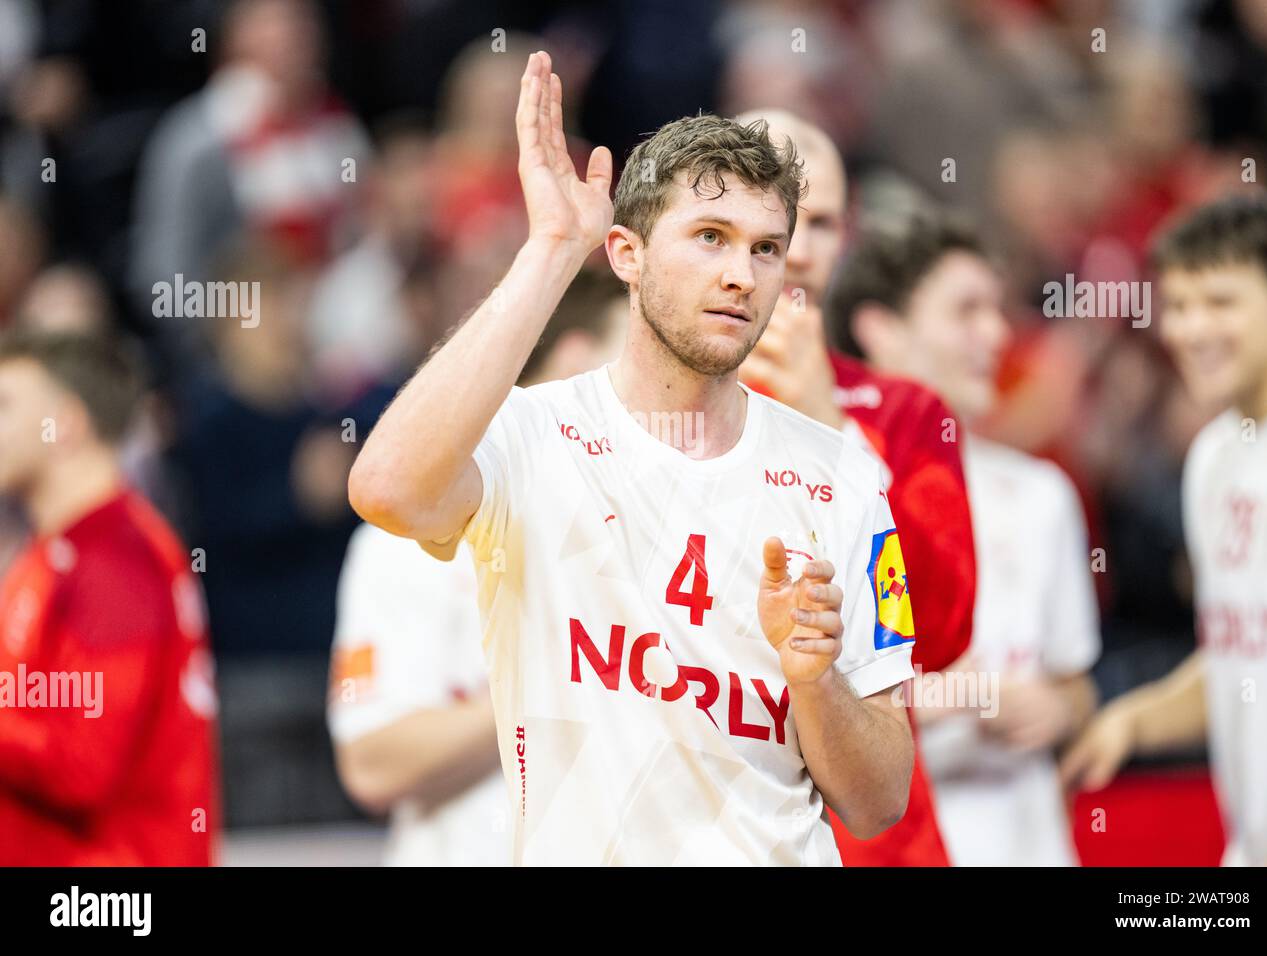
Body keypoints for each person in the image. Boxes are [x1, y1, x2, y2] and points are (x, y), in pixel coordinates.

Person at [348, 51, 915, 866]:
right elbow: (386, 489)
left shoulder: (843, 476)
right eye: (710, 238)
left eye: (765, 249)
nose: (740, 275)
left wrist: (815, 679)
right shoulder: (534, 434)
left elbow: (878, 803)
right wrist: (549, 248)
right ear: (626, 253)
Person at [734, 108, 977, 866]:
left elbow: (936, 634)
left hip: (872, 836)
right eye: (774, 215)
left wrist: (826, 420)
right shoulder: (640, 409)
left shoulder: (908, 414)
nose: (798, 251)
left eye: (825, 222)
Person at [329, 269, 626, 865]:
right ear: (576, 359)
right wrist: (566, 680)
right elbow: (371, 761)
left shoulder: (649, 520)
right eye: (636, 364)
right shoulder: (404, 530)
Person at [831, 214, 1100, 865]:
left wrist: (1059, 711)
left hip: (1031, 838)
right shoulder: (823, 486)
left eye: (997, 309)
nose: (998, 334)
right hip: (892, 840)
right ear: (881, 330)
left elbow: (1076, 682)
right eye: (966, 310)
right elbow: (799, 700)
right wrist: (961, 696)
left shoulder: (1042, 493)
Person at [1063, 192, 1267, 867]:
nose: (1193, 330)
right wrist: (1135, 721)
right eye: (1180, 305)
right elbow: (1246, 657)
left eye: (1221, 303)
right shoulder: (1215, 458)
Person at [0, 331, 218, 865]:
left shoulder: (116, 566)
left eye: (4, 406)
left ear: (66, 425)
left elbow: (82, 769)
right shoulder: (58, 553)